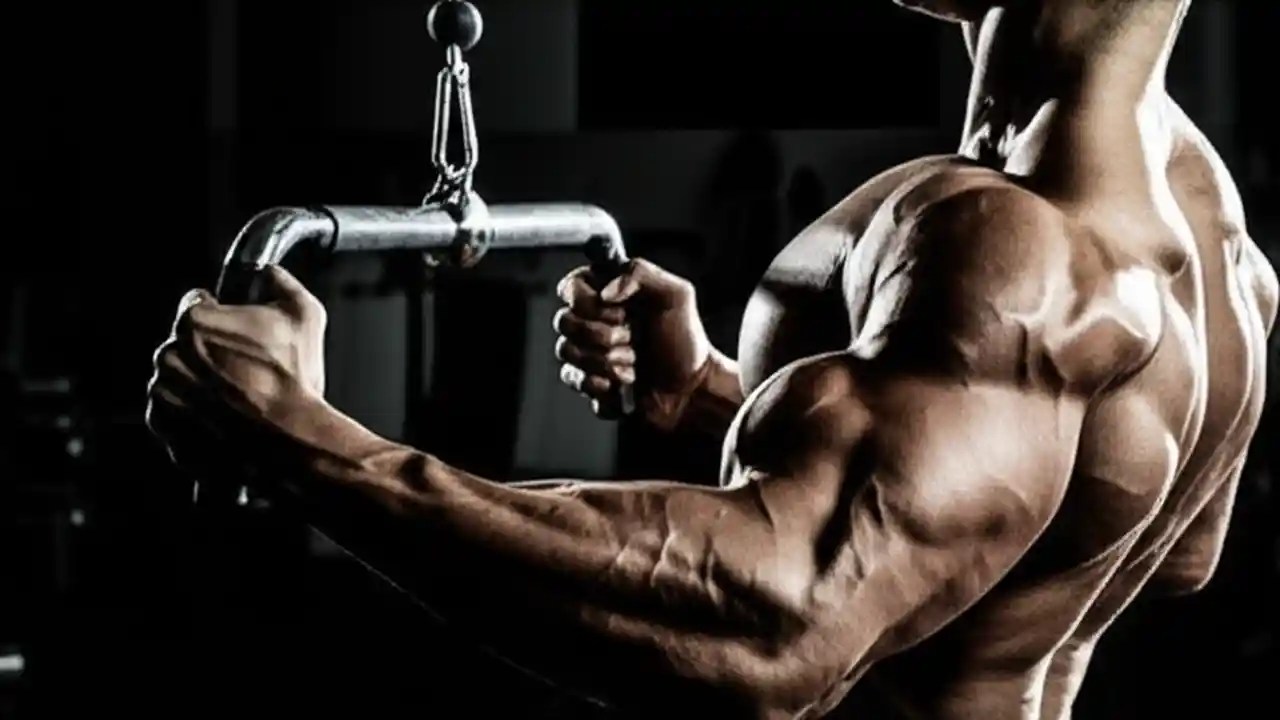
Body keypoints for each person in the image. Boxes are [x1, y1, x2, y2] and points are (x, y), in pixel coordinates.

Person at [147, 0, 1278, 717]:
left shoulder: (1016, 241)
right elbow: (1031, 534)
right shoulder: (1208, 239)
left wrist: (302, 443)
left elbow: (784, 620)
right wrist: (705, 401)